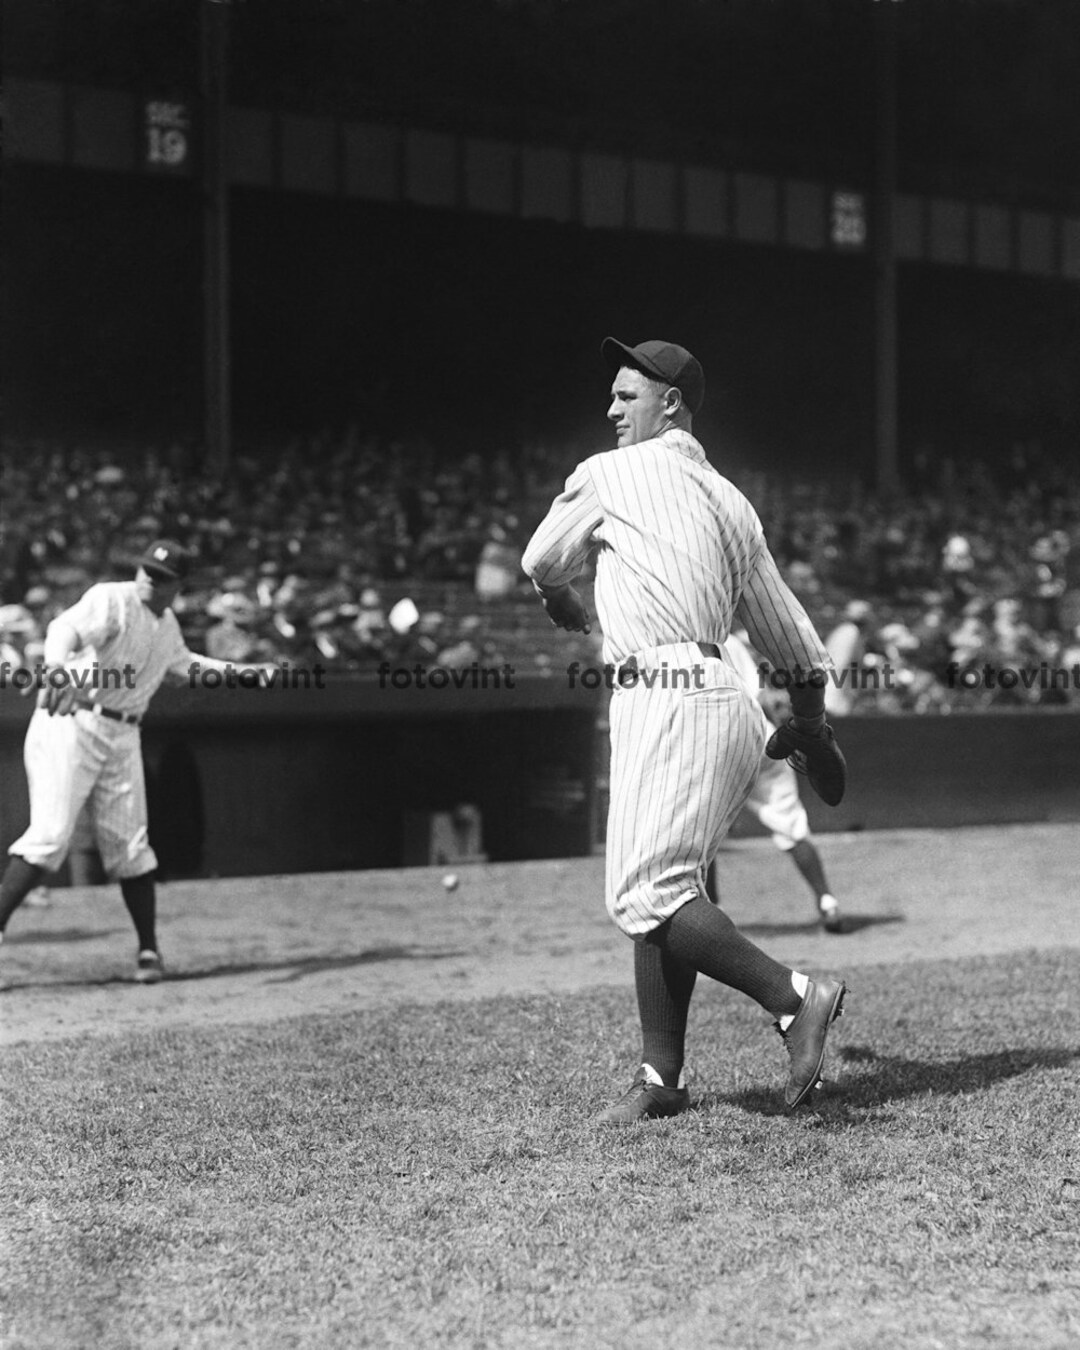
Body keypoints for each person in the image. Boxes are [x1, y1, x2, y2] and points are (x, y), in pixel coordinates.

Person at [522, 337, 848, 1124]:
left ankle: (794, 997)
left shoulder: (609, 472)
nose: (610, 408)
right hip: (726, 698)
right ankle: (660, 1078)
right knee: (669, 878)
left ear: (670, 403)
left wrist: (559, 596)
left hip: (664, 692)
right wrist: (808, 719)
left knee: (642, 890)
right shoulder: (732, 499)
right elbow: (791, 634)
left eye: (625, 395)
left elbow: (540, 557)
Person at [0, 540, 269, 987]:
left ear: (179, 586)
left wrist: (242, 672)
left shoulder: (166, 625)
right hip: (73, 721)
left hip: (124, 732)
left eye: (162, 577)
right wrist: (57, 666)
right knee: (50, 837)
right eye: (147, 570)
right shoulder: (113, 598)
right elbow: (64, 629)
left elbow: (184, 665)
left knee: (131, 848)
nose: (149, 579)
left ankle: (148, 950)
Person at [706, 631, 847, 934]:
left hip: (716, 742)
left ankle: (710, 913)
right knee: (793, 827)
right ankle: (827, 901)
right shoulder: (727, 638)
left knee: (700, 834)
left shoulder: (679, 643)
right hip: (761, 737)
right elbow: (762, 698)